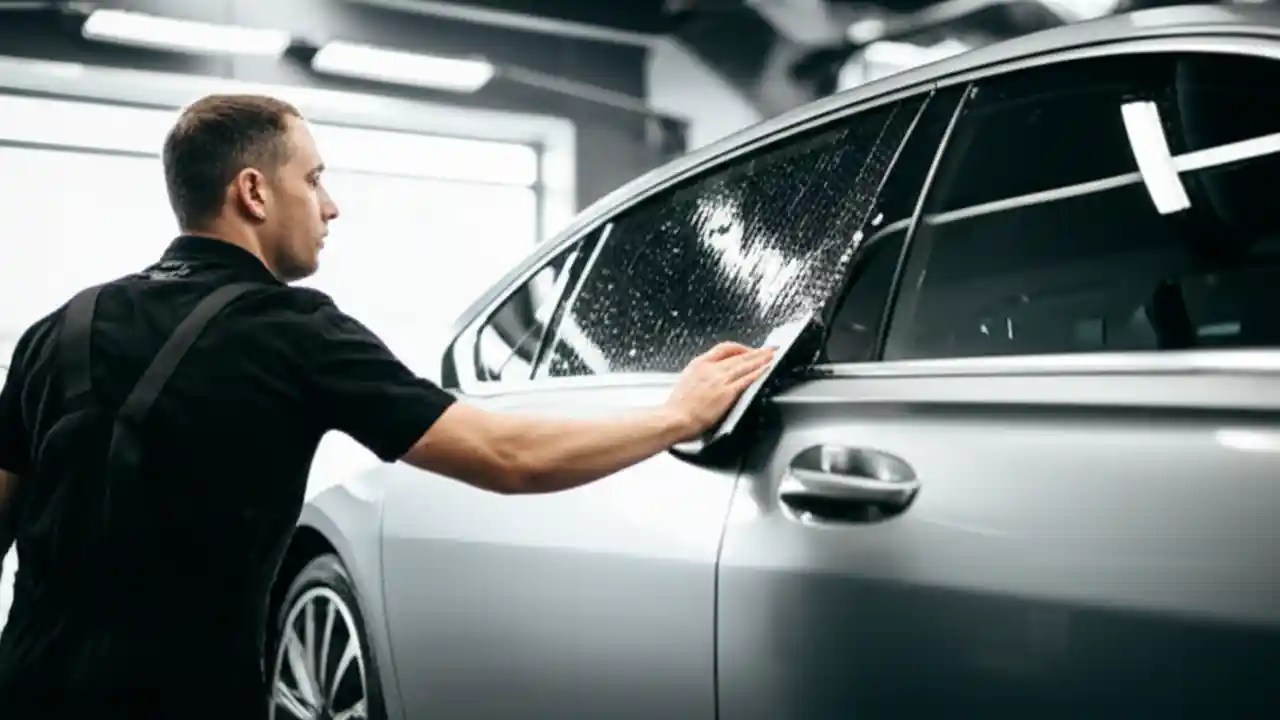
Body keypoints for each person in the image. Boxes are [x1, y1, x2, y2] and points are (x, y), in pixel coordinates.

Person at [0, 94, 774, 717]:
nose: (330, 206)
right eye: (313, 179)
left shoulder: (54, 331)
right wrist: (677, 416)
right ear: (253, 192)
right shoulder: (296, 332)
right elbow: (508, 457)